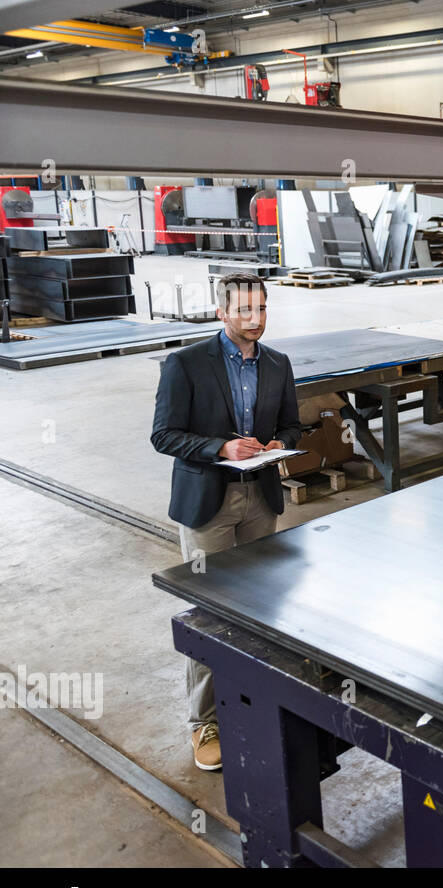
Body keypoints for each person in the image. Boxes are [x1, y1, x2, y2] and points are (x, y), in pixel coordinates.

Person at [151, 272, 301, 771]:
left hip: (260, 497)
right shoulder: (186, 365)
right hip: (208, 504)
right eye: (243, 311)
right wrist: (220, 447)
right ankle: (205, 722)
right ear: (221, 312)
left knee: (262, 608)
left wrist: (279, 442)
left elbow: (290, 423)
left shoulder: (277, 364)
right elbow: (165, 435)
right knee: (212, 615)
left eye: (261, 309)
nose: (254, 320)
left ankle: (258, 701)